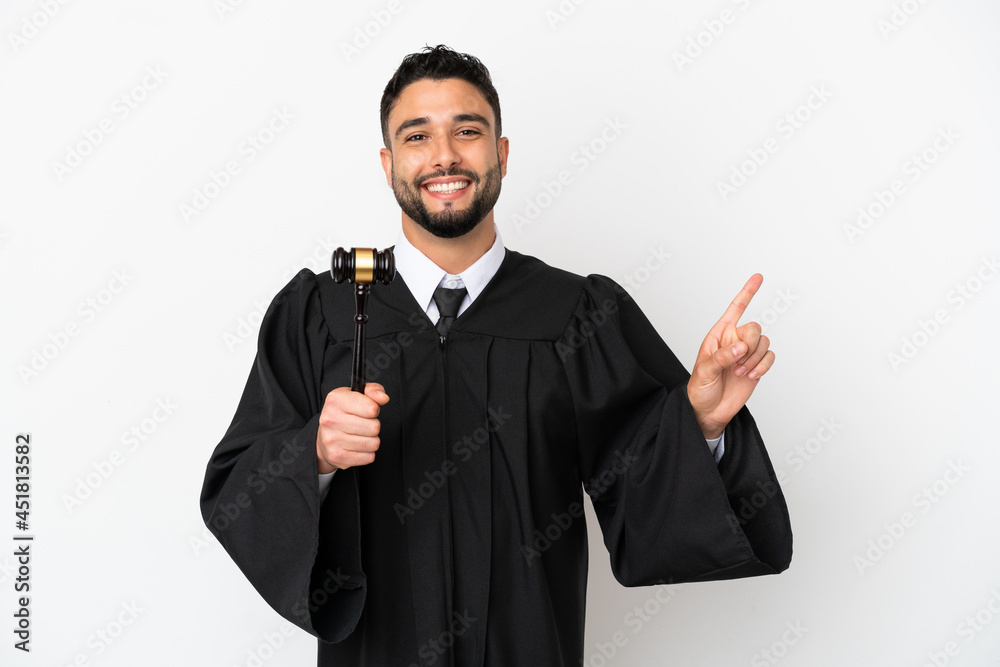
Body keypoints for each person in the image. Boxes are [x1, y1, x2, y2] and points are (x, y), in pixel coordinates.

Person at [200, 44, 792, 667]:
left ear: (501, 155)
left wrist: (701, 422)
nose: (445, 155)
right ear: (388, 163)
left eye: (468, 131)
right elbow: (235, 488)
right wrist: (313, 454)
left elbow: (640, 485)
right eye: (417, 136)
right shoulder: (322, 315)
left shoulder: (576, 315)